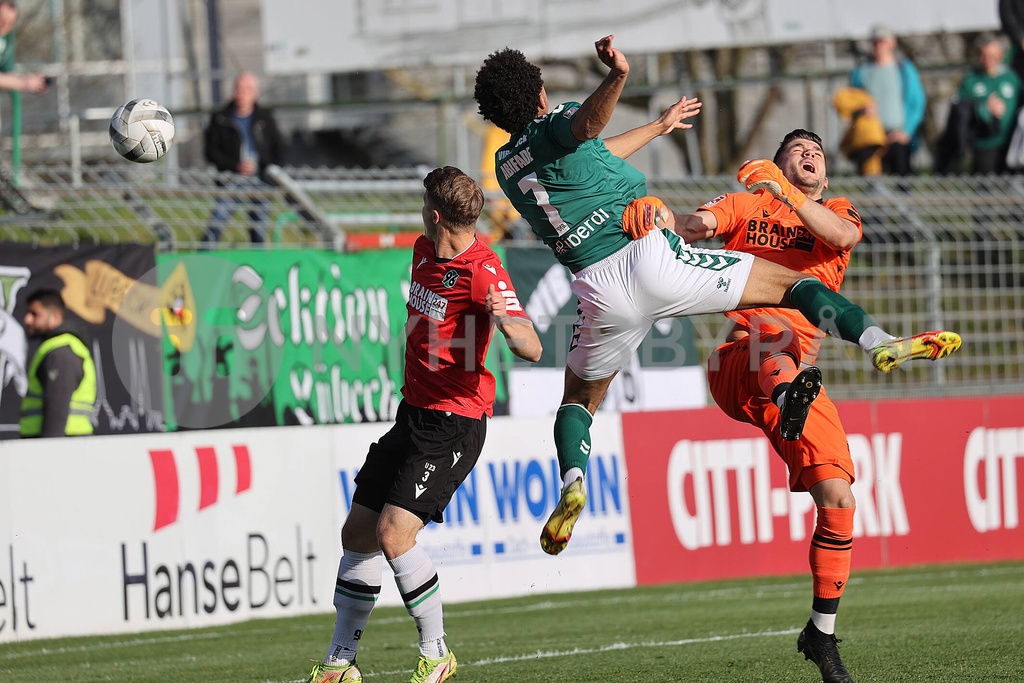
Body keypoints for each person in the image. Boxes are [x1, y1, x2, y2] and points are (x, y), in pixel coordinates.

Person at [472, 35, 961, 559]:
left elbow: (588, 149)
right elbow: (587, 127)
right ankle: (877, 341)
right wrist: (618, 75)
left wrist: (658, 127)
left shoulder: (506, 165)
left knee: (578, 401)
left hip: (599, 291)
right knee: (796, 287)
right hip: (647, 255)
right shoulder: (560, 120)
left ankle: (572, 482)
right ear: (540, 94)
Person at [302, 166, 542, 683]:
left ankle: (437, 653)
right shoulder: (422, 252)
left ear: (434, 214)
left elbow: (529, 341)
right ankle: (341, 662)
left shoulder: (484, 271)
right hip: (412, 414)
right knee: (359, 531)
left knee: (393, 533)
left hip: (454, 424)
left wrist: (510, 327)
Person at [667, 129, 860, 683]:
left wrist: (790, 194)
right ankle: (787, 395)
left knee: (839, 496)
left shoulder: (836, 211)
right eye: (797, 150)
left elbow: (843, 234)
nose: (810, 154)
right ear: (771, 167)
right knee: (770, 341)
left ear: (823, 177)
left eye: (817, 152)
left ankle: (820, 635)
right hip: (740, 359)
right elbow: (700, 225)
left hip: (797, 375)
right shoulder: (746, 205)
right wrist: (664, 221)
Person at [202, 71, 286, 244]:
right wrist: (235, 165)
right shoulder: (220, 118)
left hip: (260, 181)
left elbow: (280, 149)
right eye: (239, 89)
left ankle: (258, 264)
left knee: (259, 227)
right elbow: (211, 152)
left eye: (247, 89)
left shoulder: (265, 118)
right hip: (232, 180)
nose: (242, 94)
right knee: (217, 221)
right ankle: (200, 261)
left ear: (256, 93)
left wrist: (268, 170)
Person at [936, 32, 1021, 174]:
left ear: (1000, 55)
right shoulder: (971, 79)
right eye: (984, 55)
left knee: (1011, 189)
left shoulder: (1011, 78)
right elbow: (959, 109)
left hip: (1010, 143)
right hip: (984, 145)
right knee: (984, 189)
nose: (988, 60)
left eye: (992, 56)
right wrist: (983, 108)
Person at [848, 24, 926, 176]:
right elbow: (850, 102)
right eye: (875, 42)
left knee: (902, 178)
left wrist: (906, 131)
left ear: (892, 42)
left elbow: (917, 103)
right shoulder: (861, 72)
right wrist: (861, 111)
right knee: (873, 181)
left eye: (883, 41)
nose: (879, 45)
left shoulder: (904, 69)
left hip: (899, 137)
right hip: (871, 138)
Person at [19, 289, 96, 437]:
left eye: (35, 314)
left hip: (62, 447)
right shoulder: (57, 347)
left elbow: (57, 409)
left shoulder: (60, 352)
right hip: (65, 446)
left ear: (56, 317)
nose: (27, 320)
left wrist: (50, 452)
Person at [0, 0, 48, 97]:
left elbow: (7, 73)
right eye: (1, 20)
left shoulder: (6, 41)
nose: (4, 25)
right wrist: (23, 82)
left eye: (9, 23)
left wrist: (30, 79)